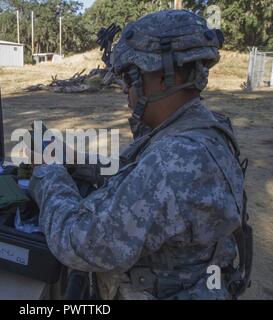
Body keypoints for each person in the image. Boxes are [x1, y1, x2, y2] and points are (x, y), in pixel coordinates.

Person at [29, 9, 252, 300]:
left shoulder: (176, 159)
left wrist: (49, 174)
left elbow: (82, 243)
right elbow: (133, 172)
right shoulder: (200, 129)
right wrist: (74, 159)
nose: (124, 88)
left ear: (163, 77)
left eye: (130, 77)